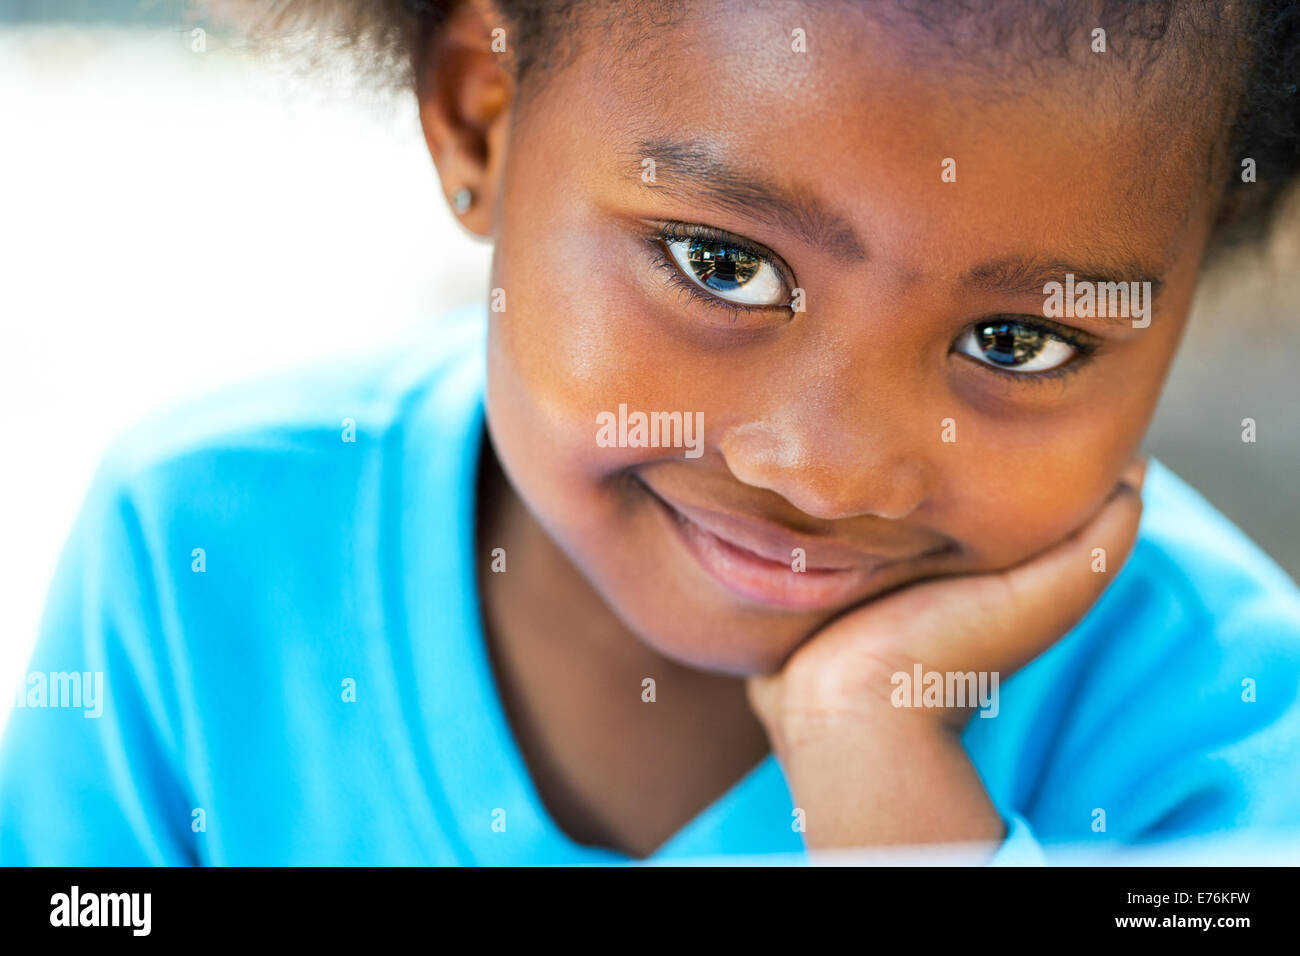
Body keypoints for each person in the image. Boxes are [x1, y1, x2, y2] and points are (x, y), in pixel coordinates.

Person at [3, 0, 1299, 864]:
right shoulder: (202, 552)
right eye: (722, 264)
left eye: (1016, 343)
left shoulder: (1222, 723)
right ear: (482, 117)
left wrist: (885, 783)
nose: (825, 466)